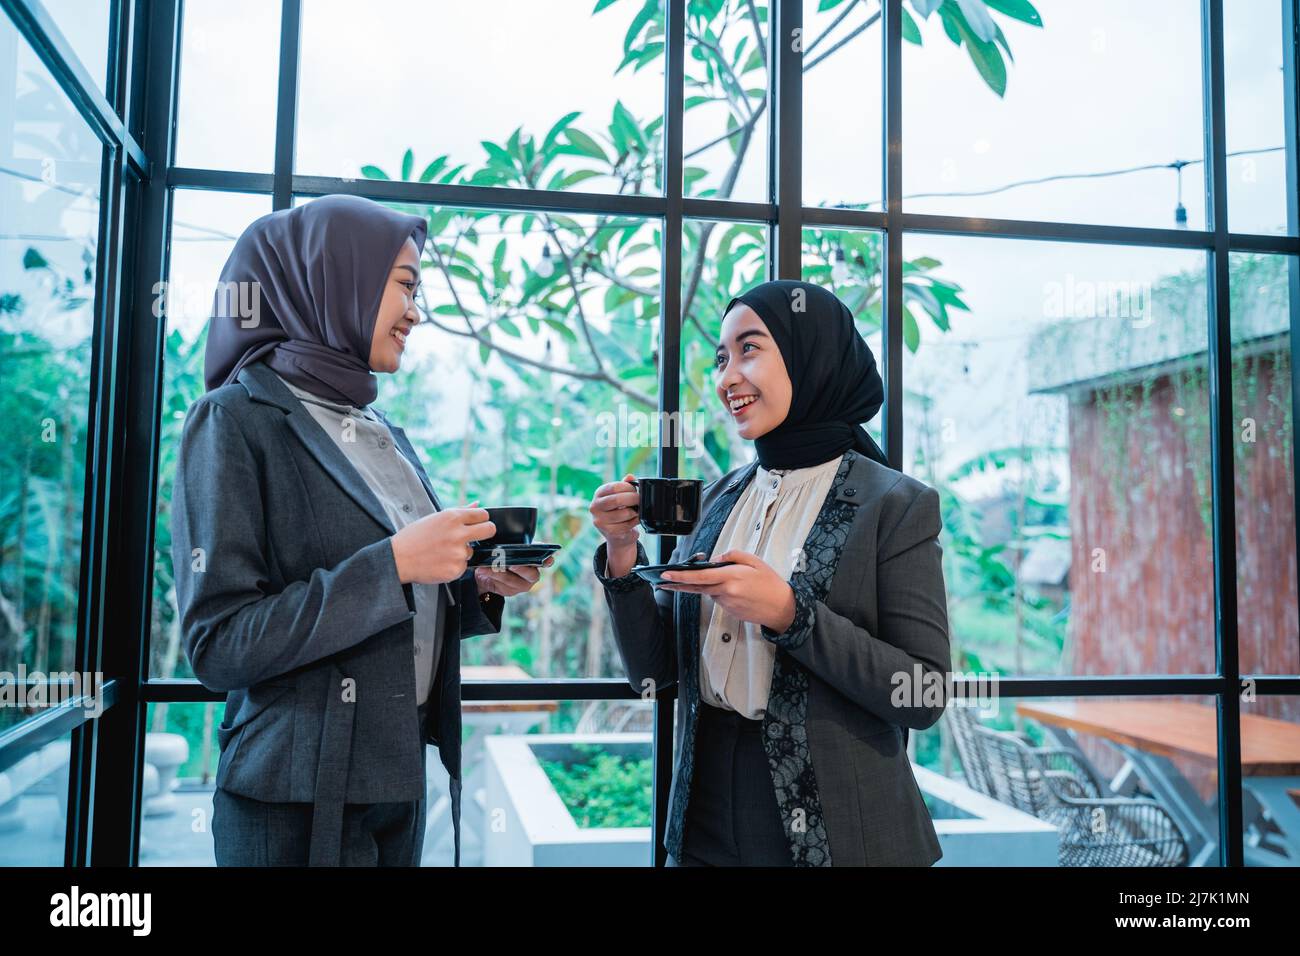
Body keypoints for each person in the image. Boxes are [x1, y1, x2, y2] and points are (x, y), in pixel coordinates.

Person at [171, 193, 548, 866]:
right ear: (334, 280)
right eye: (405, 286)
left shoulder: (381, 432)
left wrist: (474, 583)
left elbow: (395, 602)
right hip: (293, 801)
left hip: (395, 779)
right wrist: (394, 563)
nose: (416, 311)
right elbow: (219, 644)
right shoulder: (234, 419)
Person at [588, 279, 951, 866]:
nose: (727, 376)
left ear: (813, 357)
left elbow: (924, 693)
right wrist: (625, 550)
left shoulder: (896, 504)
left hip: (840, 826)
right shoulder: (719, 498)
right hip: (703, 805)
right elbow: (654, 673)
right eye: (721, 358)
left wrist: (790, 614)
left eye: (749, 349)